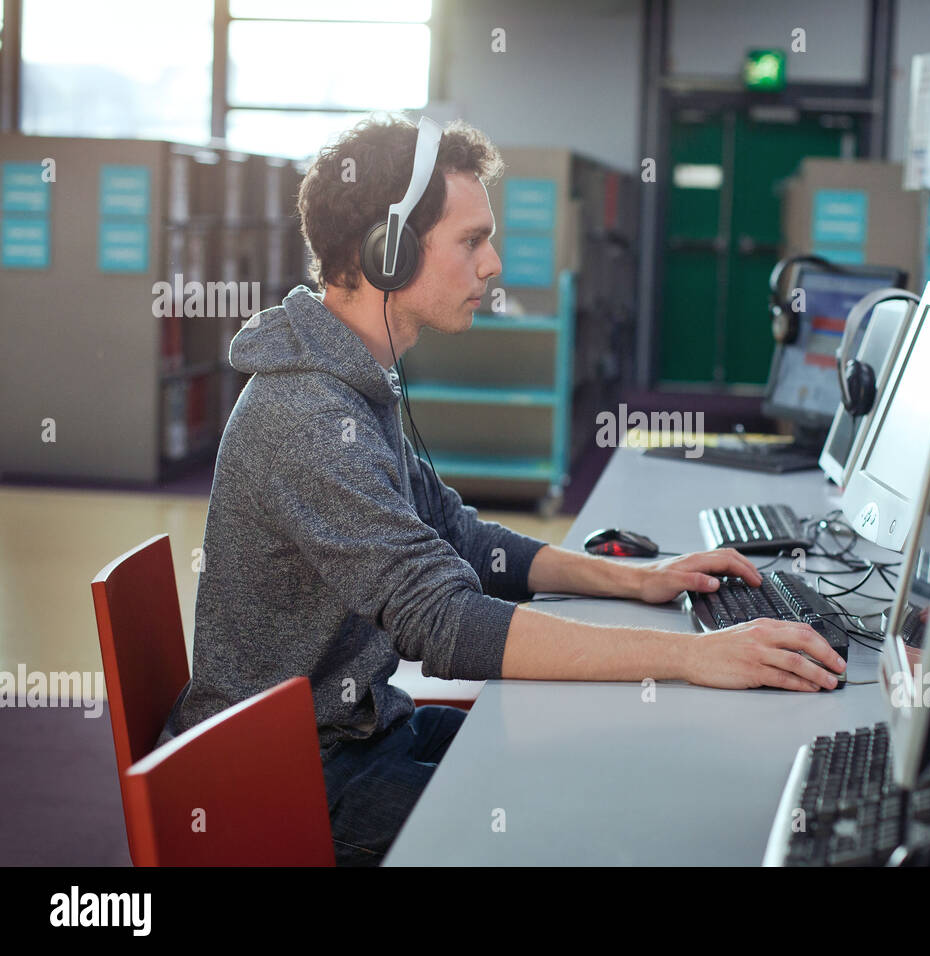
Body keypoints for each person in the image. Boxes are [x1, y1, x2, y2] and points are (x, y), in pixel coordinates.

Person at [157, 116, 843, 865]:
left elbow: (459, 537)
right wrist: (693, 656)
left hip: (365, 732)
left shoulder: (353, 382)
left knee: (598, 756)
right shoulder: (310, 414)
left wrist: (636, 579)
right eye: (472, 240)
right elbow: (443, 623)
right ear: (388, 254)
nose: (494, 265)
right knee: (571, 826)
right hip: (287, 781)